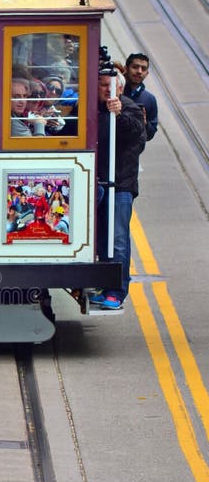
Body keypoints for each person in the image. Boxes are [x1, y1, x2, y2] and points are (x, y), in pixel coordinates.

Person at [91, 70, 146, 310]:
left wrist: (119, 114)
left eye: (109, 86)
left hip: (121, 185)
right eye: (101, 85)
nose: (105, 90)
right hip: (99, 184)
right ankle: (104, 284)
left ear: (120, 89)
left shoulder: (129, 107)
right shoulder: (93, 109)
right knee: (102, 237)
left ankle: (118, 290)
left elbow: (136, 135)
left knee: (118, 238)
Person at [123, 53, 158, 141]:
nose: (139, 71)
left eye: (144, 69)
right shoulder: (112, 92)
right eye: (135, 67)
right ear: (126, 69)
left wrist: (145, 124)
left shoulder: (150, 99)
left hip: (132, 152)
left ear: (147, 73)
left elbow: (150, 135)